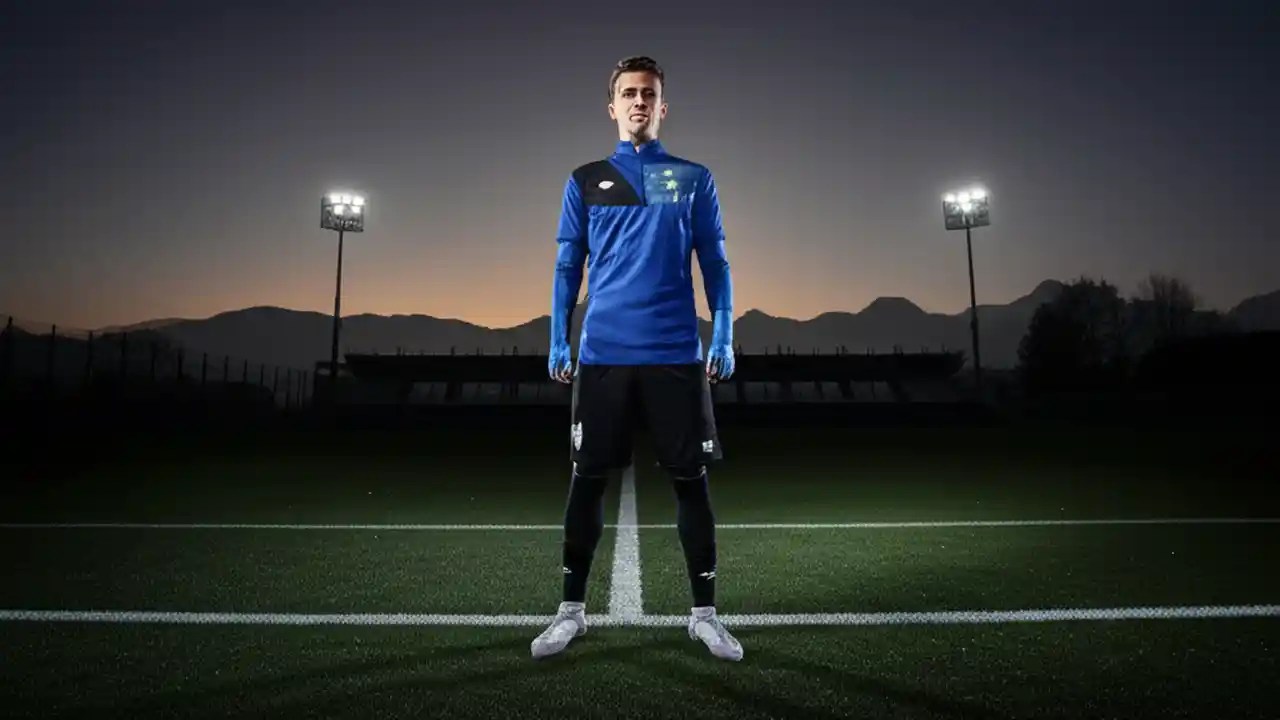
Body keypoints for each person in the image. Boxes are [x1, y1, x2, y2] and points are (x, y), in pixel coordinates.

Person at [531, 56, 742, 662]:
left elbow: (716, 264)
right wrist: (558, 337)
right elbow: (568, 266)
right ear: (612, 106)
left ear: (663, 106)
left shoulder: (693, 178)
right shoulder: (585, 179)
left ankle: (705, 617)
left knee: (690, 483)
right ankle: (570, 612)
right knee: (587, 480)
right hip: (604, 355)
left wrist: (723, 334)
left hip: (675, 353)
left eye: (649, 94)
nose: (639, 102)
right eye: (629, 94)